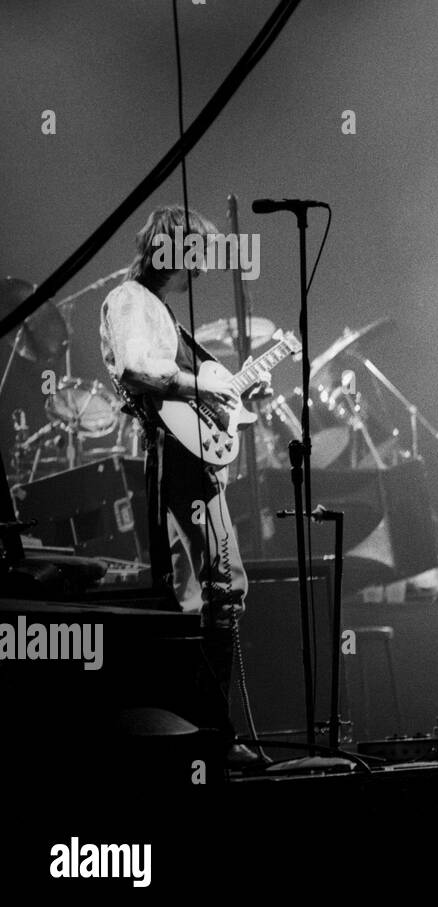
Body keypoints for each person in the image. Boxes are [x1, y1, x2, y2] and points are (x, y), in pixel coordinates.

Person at [100, 205, 256, 748]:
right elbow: (137, 369)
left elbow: (179, 387)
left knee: (215, 589)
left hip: (189, 462)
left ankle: (209, 732)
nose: (205, 270)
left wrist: (227, 396)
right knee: (212, 590)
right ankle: (211, 733)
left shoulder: (161, 310)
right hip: (175, 464)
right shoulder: (130, 300)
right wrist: (202, 388)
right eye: (199, 256)